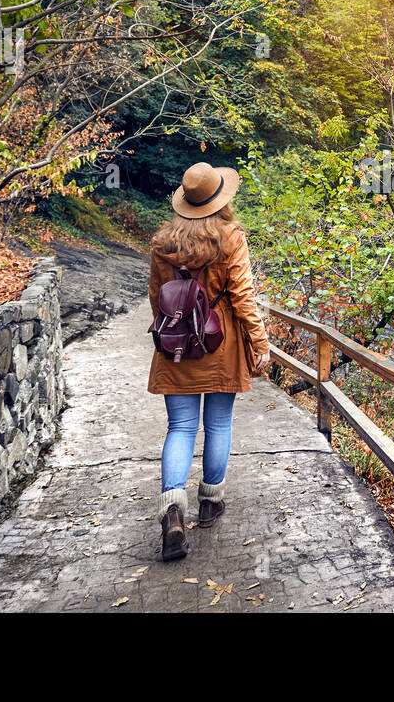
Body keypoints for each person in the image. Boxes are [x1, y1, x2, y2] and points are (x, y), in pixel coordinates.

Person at [147, 161, 271, 561]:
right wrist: (260, 342)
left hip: (177, 347)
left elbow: (156, 298)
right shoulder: (230, 236)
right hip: (221, 346)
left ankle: (172, 512)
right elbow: (243, 297)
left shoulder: (162, 241)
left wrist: (172, 337)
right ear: (220, 199)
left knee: (180, 427)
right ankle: (209, 502)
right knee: (218, 423)